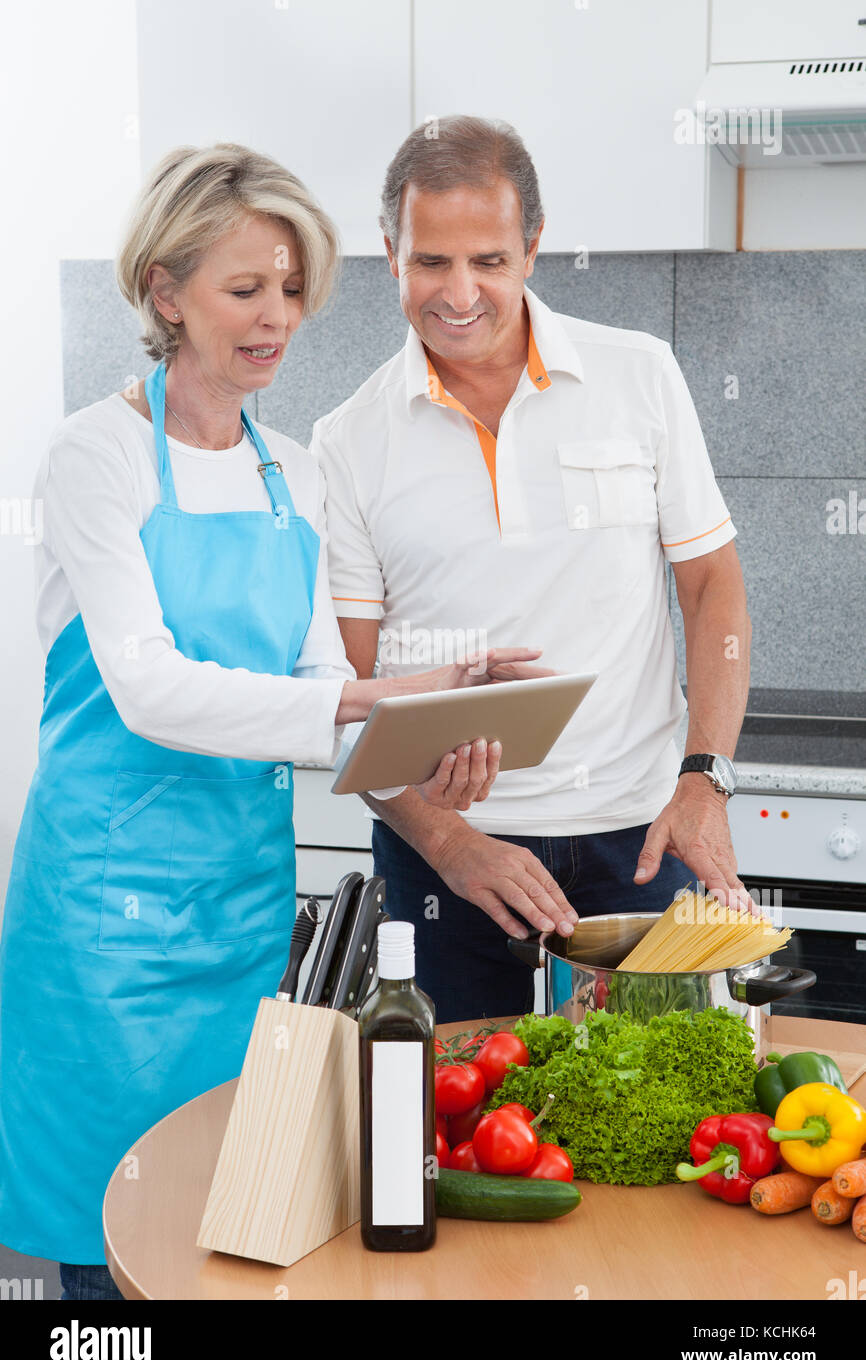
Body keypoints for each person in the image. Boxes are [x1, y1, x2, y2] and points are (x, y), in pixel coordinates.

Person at [0, 142, 544, 1299]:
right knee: (110, 1234)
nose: (277, 318)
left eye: (292, 289)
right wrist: (367, 694)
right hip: (108, 916)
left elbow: (310, 694)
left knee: (218, 1215)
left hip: (235, 901)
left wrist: (436, 732)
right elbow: (151, 687)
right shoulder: (94, 458)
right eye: (244, 289)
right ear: (165, 290)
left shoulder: (289, 471)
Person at [311, 116, 755, 1025]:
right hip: (448, 855)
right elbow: (345, 688)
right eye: (430, 261)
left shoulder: (640, 376)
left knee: (651, 1119)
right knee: (459, 1129)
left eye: (489, 260)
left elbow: (712, 587)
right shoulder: (348, 442)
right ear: (391, 253)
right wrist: (450, 843)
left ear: (533, 249)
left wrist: (704, 777)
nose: (460, 292)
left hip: (640, 836)